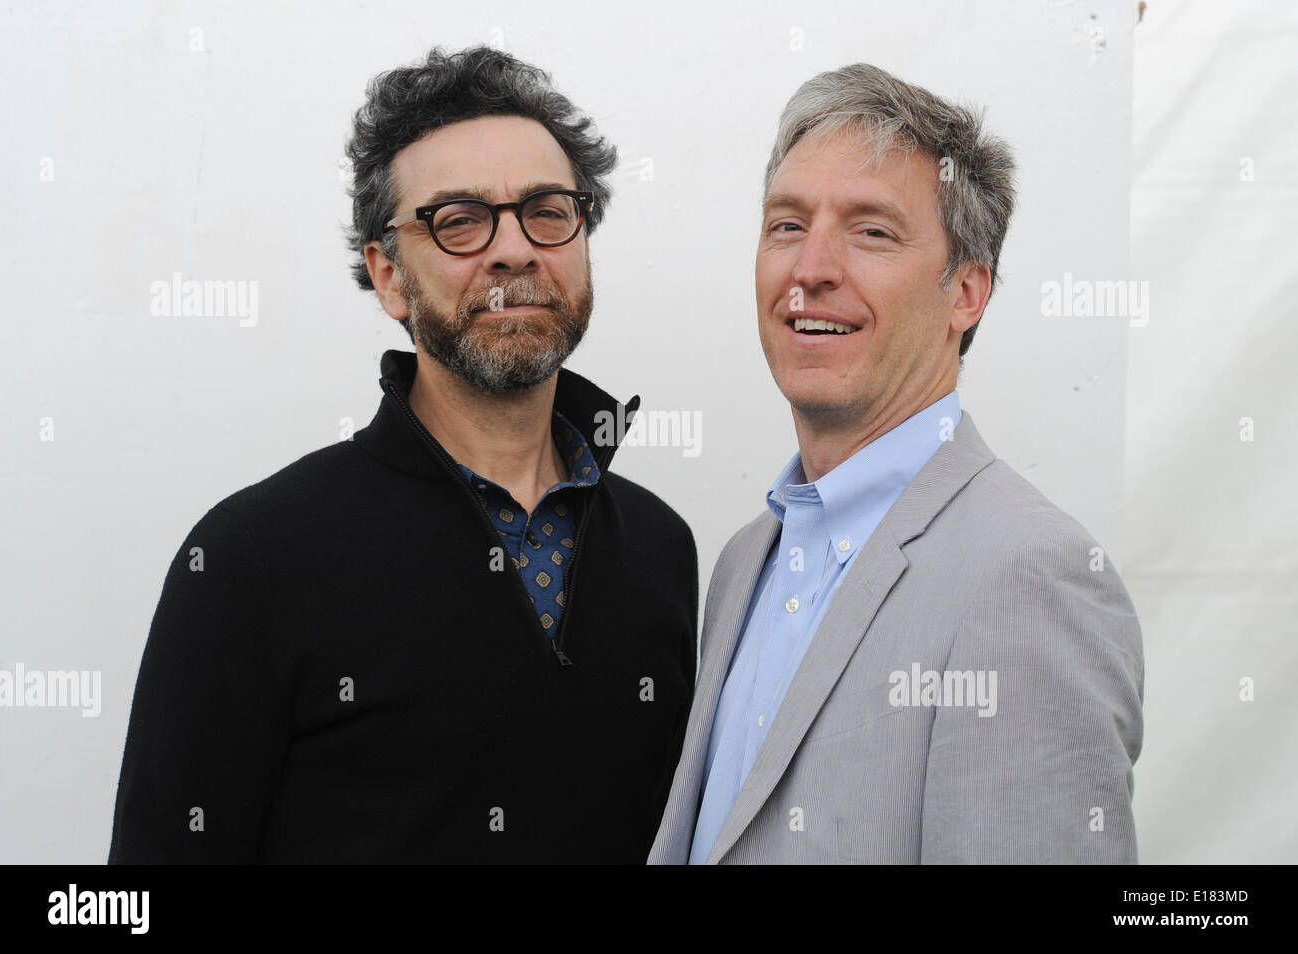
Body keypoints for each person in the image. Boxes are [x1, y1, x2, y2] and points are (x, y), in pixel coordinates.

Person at [109, 46, 697, 864]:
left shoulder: (664, 549)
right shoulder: (251, 559)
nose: (515, 250)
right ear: (388, 276)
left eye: (548, 210)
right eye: (458, 220)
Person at [649, 63, 1143, 864]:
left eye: (872, 231)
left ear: (968, 293)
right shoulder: (746, 561)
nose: (811, 268)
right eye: (786, 225)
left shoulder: (1029, 577)